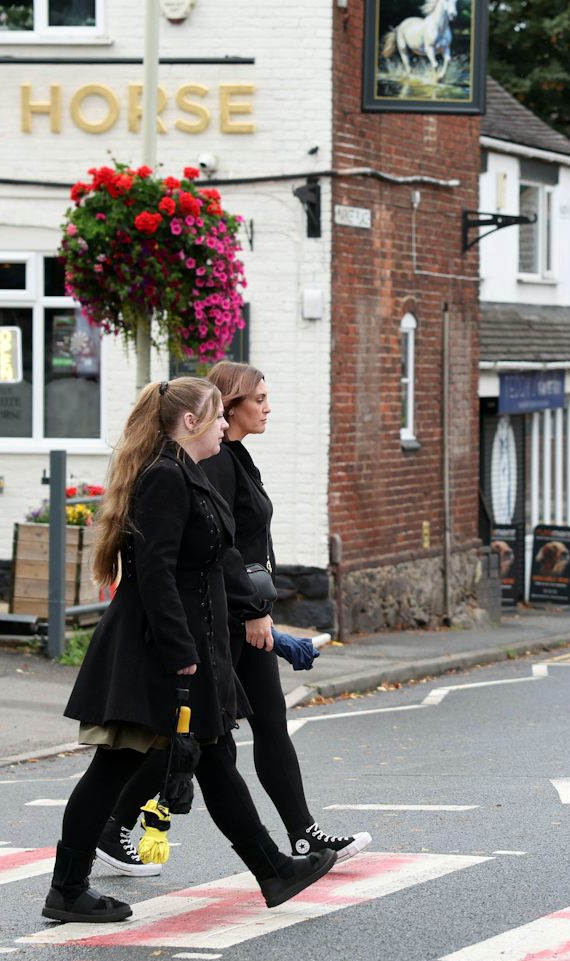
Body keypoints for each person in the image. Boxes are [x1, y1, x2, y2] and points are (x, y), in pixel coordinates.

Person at [40, 377, 336, 924]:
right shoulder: (164, 480)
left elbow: (217, 562)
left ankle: (273, 868)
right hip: (156, 651)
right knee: (114, 767)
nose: (227, 424)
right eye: (218, 416)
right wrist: (181, 653)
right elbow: (153, 575)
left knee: (218, 757)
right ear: (192, 423)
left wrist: (260, 618)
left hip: (194, 648)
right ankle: (67, 888)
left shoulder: (189, 476)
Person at [95, 361, 370, 876]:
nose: (267, 408)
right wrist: (252, 614)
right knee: (195, 735)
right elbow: (211, 553)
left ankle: (299, 835)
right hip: (226, 620)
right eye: (258, 400)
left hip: (239, 613)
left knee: (256, 724)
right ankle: (112, 828)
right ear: (229, 405)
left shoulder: (234, 457)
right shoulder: (213, 462)